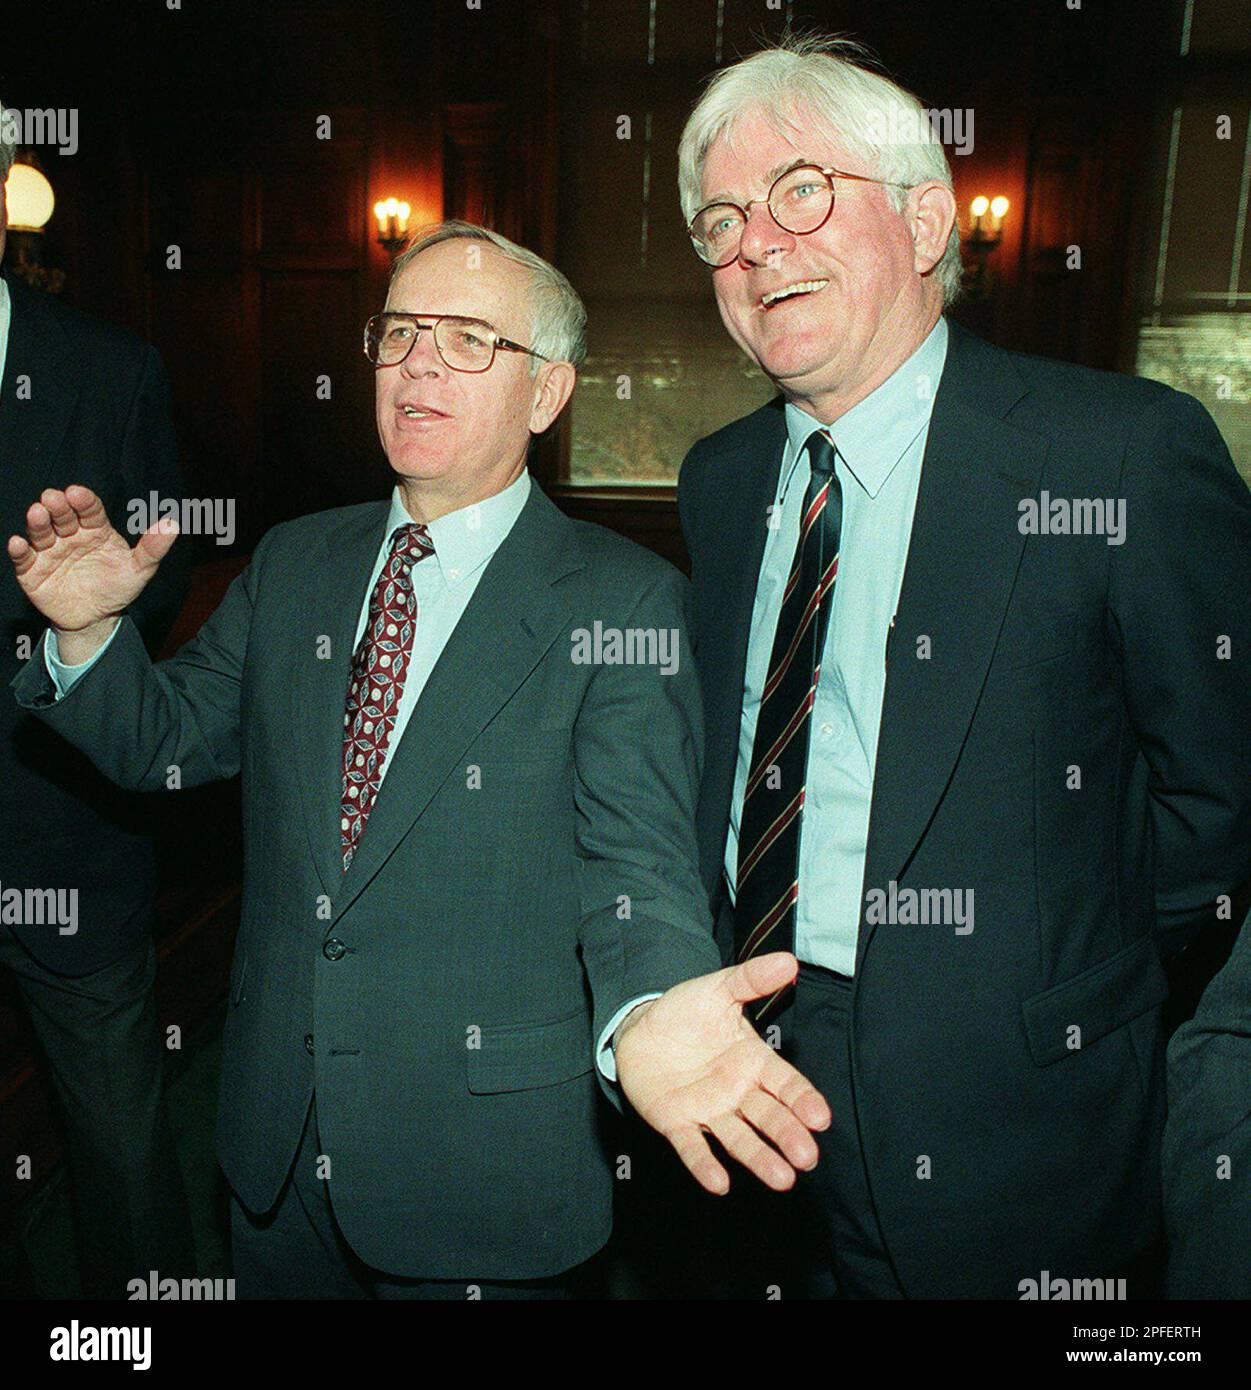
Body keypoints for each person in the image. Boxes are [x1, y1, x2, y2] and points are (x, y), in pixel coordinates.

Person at [8, 219, 830, 1298]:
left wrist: (651, 1006)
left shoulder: (621, 601)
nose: (419, 364)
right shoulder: (296, 561)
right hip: (275, 1145)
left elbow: (638, 864)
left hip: (483, 1171)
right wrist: (86, 639)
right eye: (398, 334)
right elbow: (162, 743)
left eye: (467, 339)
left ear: (547, 394)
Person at [674, 36, 1251, 1298]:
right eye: (721, 218)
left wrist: (1055, 976)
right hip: (740, 1073)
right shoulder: (718, 482)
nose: (756, 242)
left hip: (1019, 1106)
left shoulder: (1120, 457)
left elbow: (1220, 796)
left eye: (801, 192)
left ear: (927, 219)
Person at [0, 100, 194, 1297]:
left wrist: (84, 628)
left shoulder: (109, 369)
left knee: (121, 1145)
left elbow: (156, 592)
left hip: (61, 827)